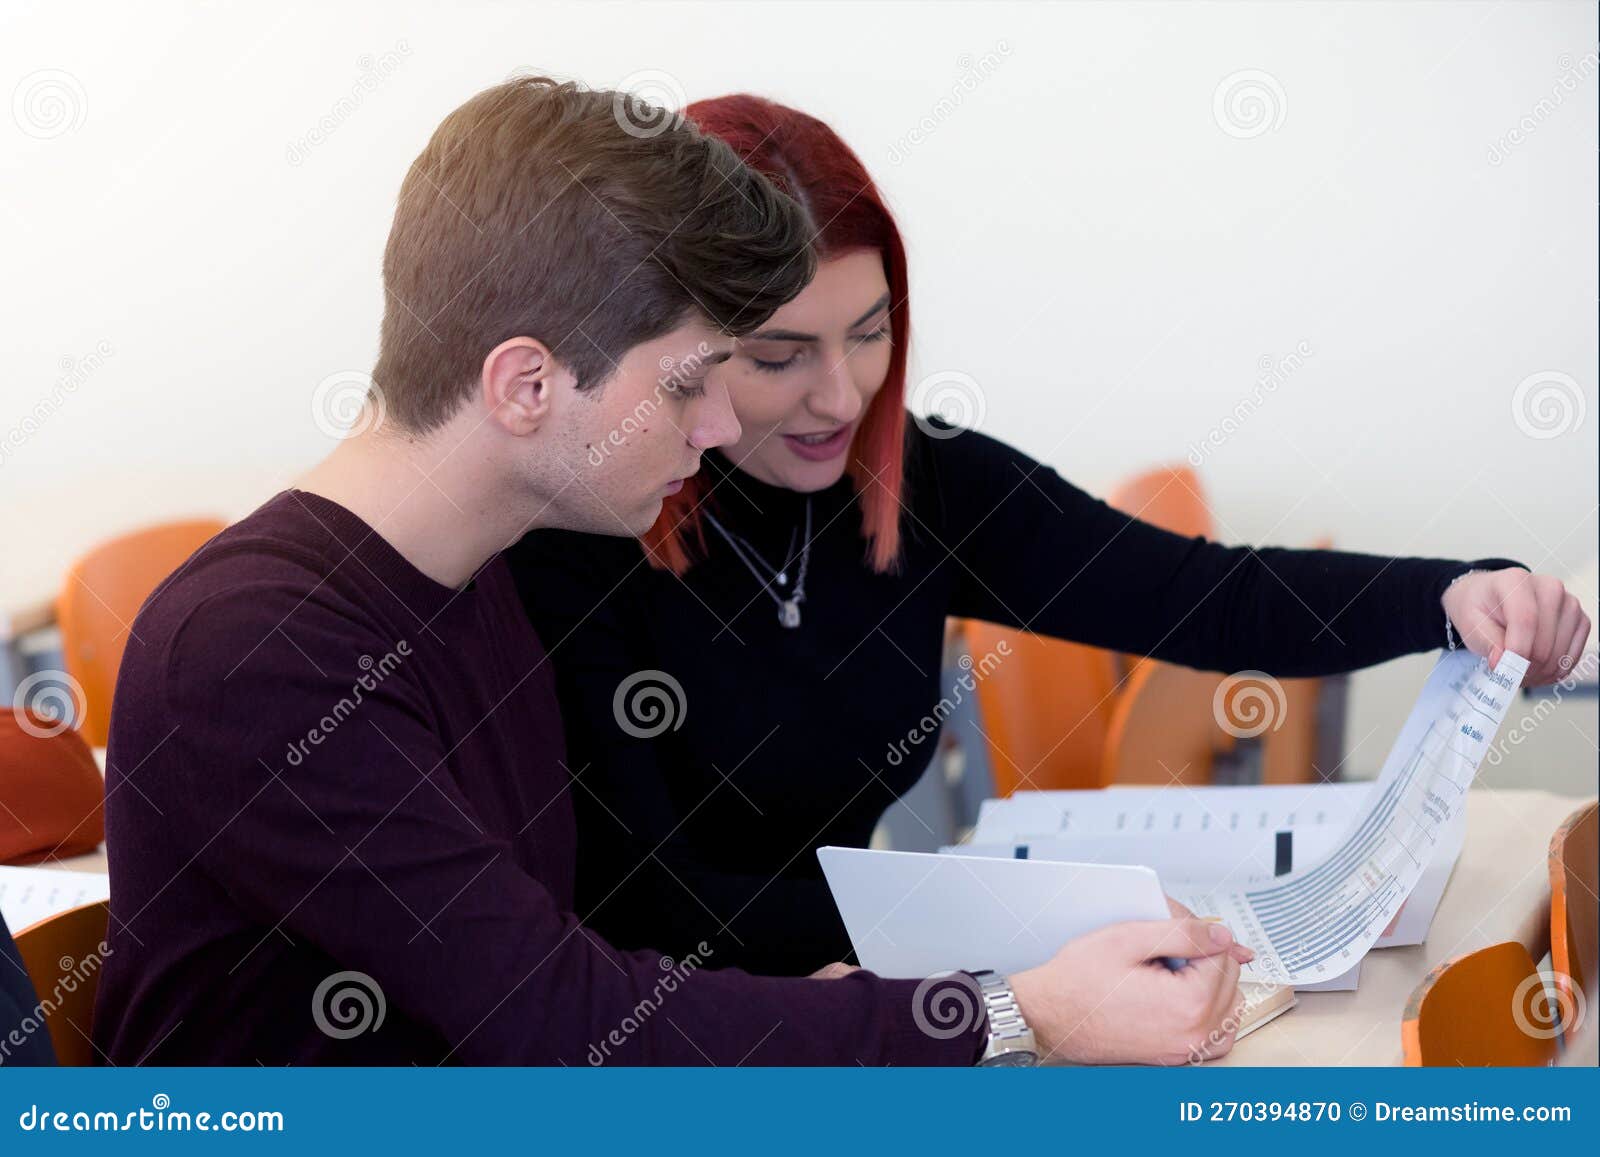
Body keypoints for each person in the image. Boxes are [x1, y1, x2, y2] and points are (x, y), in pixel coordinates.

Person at [92, 77, 1251, 1068]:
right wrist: (1010, 1010)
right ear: (525, 386)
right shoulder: (255, 654)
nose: (718, 429)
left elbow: (572, 973)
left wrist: (837, 1003)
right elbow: (564, 1019)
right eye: (690, 382)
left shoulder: (475, 578)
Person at [507, 94, 1592, 979]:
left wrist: (1452, 595)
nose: (840, 395)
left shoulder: (917, 478)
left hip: (858, 987)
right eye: (777, 356)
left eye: (871, 332)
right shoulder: (582, 527)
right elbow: (642, 897)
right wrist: (1023, 927)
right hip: (658, 1033)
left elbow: (1202, 596)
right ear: (679, 342)